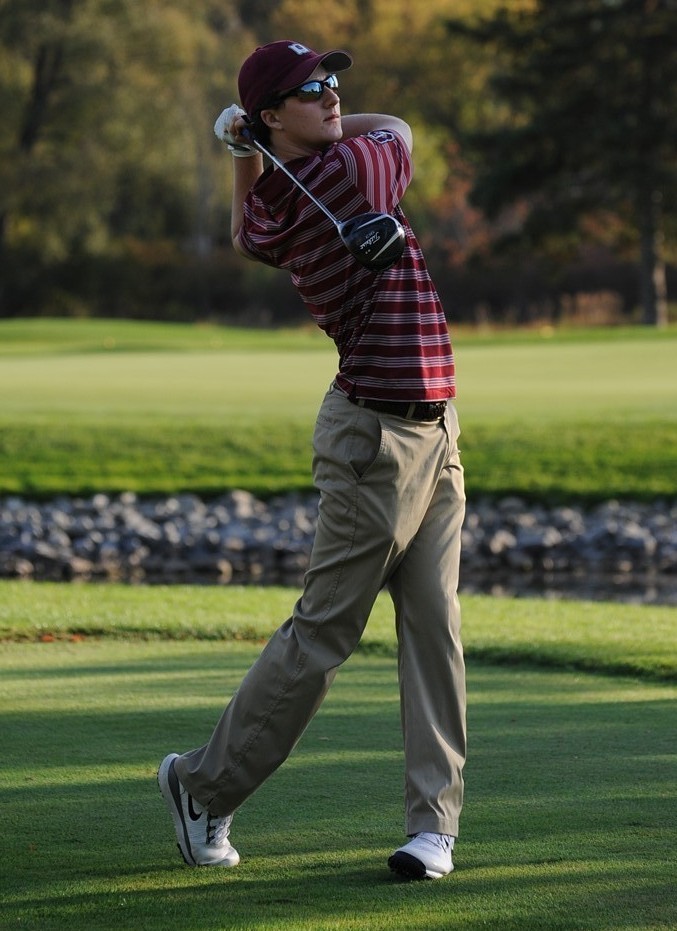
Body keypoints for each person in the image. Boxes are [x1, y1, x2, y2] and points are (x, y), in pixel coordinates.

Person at [158, 39, 466, 882]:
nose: (333, 98)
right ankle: (200, 784)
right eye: (309, 90)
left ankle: (430, 827)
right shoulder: (352, 173)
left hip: (434, 431)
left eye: (333, 83)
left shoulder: (272, 207)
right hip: (375, 441)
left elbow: (240, 228)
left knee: (434, 629)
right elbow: (396, 124)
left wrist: (244, 154)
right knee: (323, 632)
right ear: (270, 113)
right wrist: (258, 144)